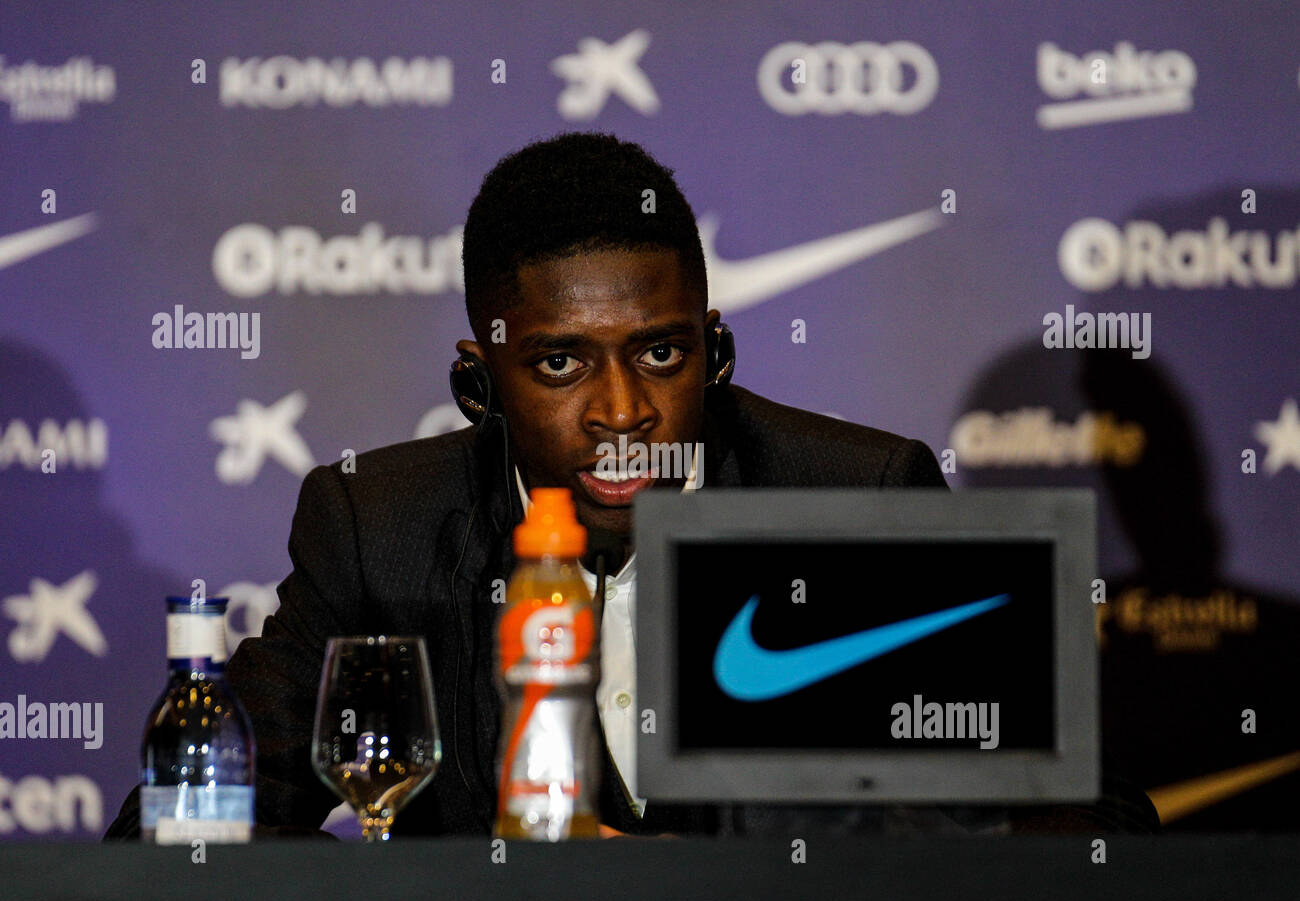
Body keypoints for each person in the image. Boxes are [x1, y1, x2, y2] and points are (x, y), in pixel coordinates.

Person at [105, 132, 1157, 839]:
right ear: (479, 384)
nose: (623, 412)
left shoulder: (851, 498)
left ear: (718, 352)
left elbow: (1087, 831)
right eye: (561, 363)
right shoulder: (379, 529)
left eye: (661, 353)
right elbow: (184, 827)